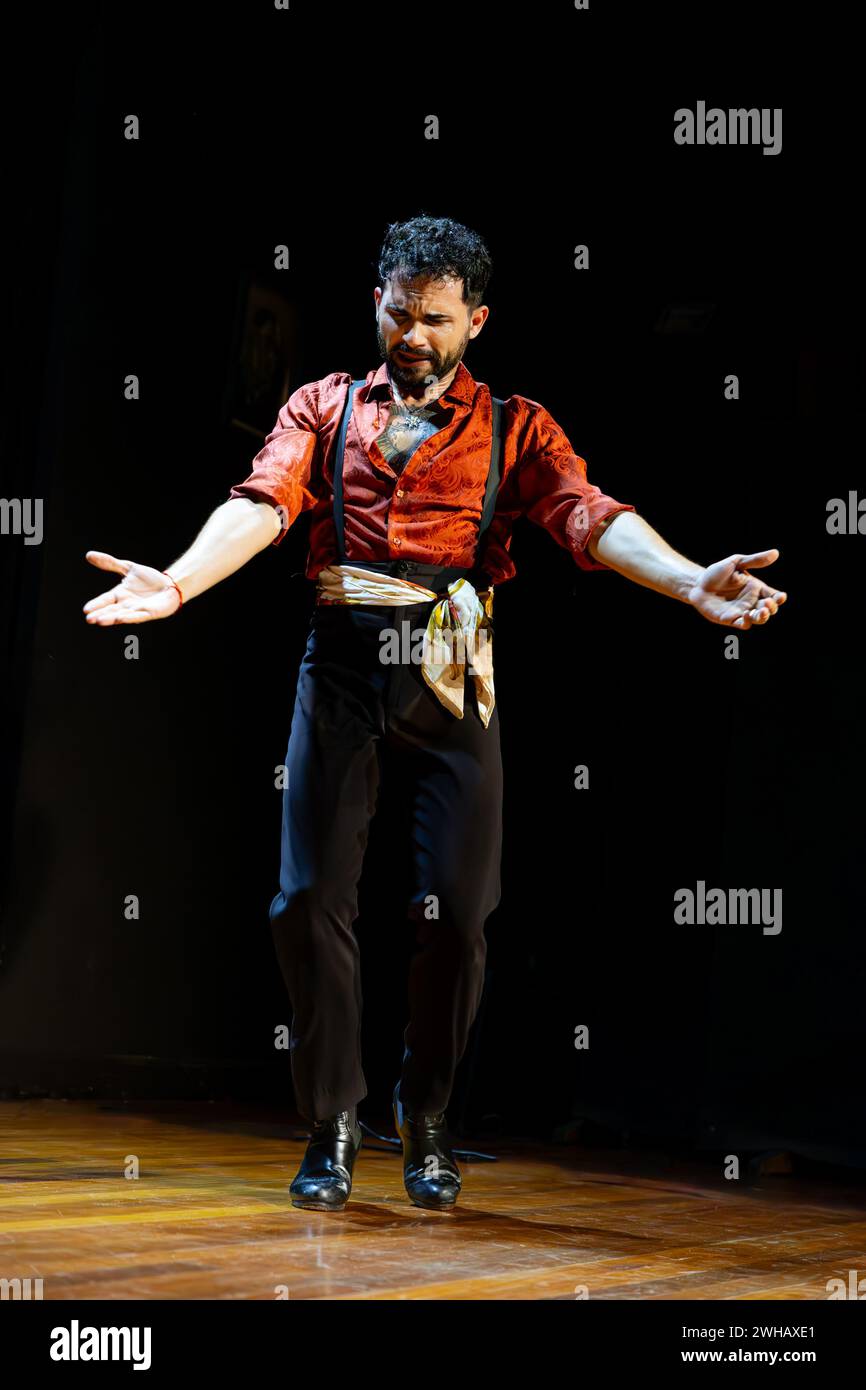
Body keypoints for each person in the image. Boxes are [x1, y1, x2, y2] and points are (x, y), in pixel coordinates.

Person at [82, 214, 787, 1213]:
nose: (413, 335)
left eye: (436, 320)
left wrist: (685, 582)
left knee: (459, 913)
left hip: (454, 667)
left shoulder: (514, 425)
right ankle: (330, 1120)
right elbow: (264, 499)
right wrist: (182, 583)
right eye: (399, 313)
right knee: (304, 897)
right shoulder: (323, 405)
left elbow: (585, 515)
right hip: (340, 660)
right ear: (378, 302)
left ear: (476, 322)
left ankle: (426, 1117)